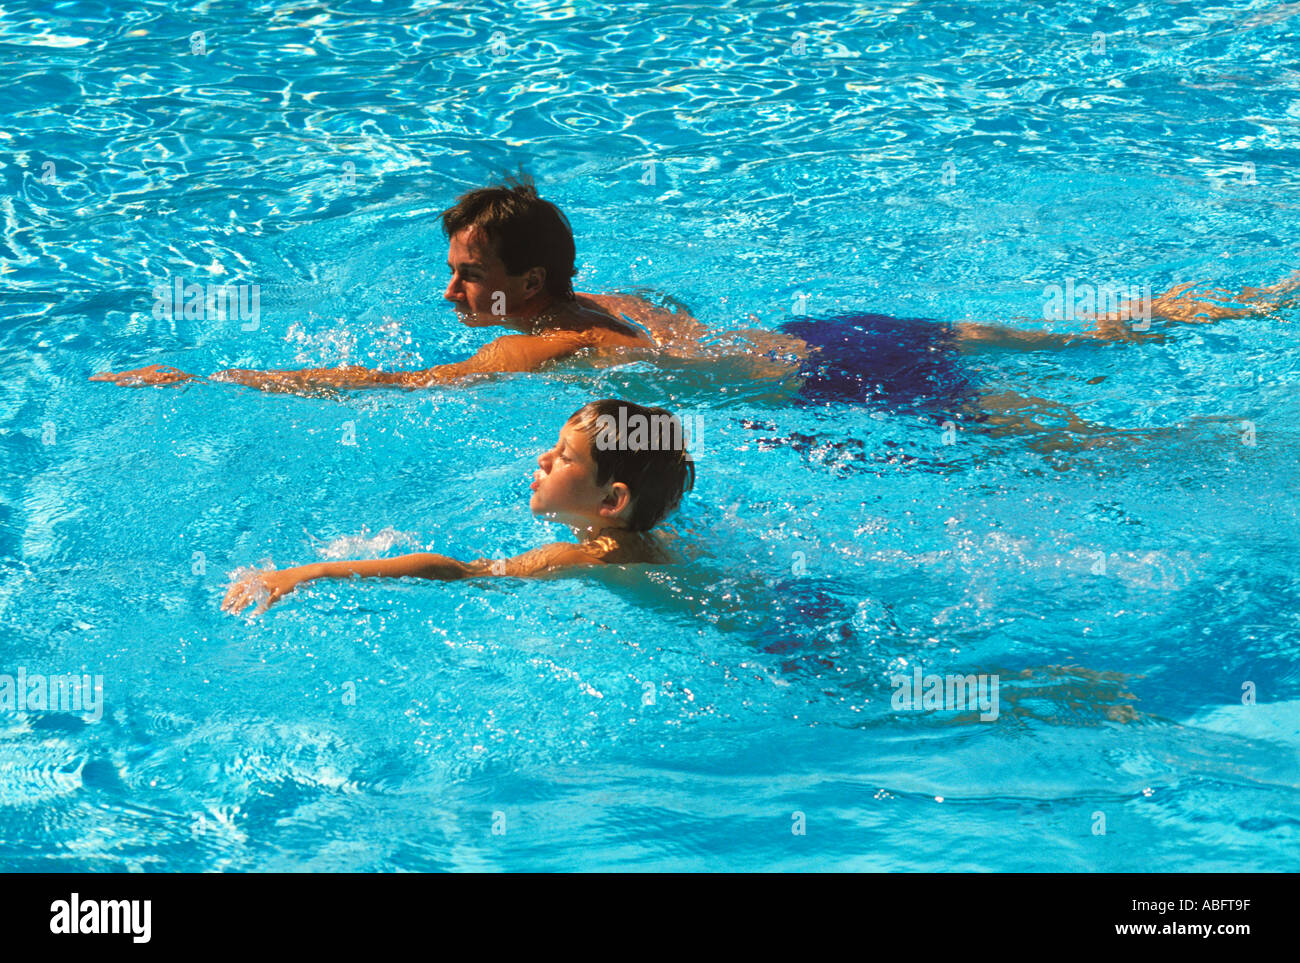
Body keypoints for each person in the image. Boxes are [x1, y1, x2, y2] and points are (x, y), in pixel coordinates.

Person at [92, 174, 1297, 439]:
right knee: (1082, 334)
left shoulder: (555, 345)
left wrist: (196, 382)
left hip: (838, 373)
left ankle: (1219, 443)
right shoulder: (605, 298)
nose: (450, 291)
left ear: (521, 284)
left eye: (466, 273)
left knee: (1076, 446)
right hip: (837, 328)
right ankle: (1242, 305)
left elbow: (393, 387)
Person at [221, 399, 694, 615]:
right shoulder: (656, 541)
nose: (543, 458)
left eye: (565, 457)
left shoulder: (577, 557)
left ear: (612, 500)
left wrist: (311, 573)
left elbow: (457, 572)